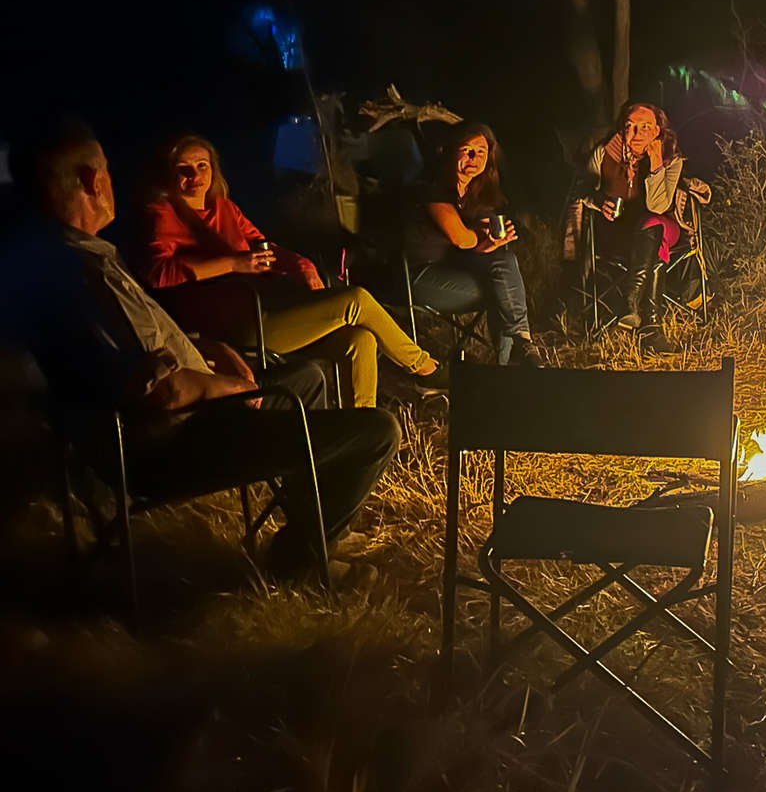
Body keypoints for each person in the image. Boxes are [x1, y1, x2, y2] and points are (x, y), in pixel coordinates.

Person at [2, 120, 399, 579]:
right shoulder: (88, 272)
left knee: (309, 376)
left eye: (201, 167)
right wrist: (229, 384)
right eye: (107, 171)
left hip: (175, 417)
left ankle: (315, 523)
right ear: (93, 180)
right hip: (174, 441)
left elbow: (143, 340)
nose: (113, 181)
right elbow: (164, 390)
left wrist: (208, 347)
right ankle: (301, 559)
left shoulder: (61, 257)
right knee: (378, 429)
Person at [135, 133, 445, 407]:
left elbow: (262, 245)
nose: (195, 175)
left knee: (360, 340)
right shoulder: (162, 214)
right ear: (168, 175)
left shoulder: (224, 208)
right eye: (184, 169)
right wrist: (232, 263)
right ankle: (426, 369)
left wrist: (301, 264)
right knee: (357, 300)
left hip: (271, 306)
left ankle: (358, 430)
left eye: (202, 165)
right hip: (239, 325)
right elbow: (158, 273)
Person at [406, 122, 535, 365]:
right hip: (417, 275)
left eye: (482, 152)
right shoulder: (431, 188)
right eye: (467, 150)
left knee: (505, 262)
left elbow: (475, 242)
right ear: (449, 151)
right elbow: (461, 238)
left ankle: (522, 342)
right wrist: (477, 238)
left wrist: (491, 242)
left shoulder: (479, 192)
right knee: (502, 294)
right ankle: (510, 366)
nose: (475, 158)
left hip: (453, 270)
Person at [583, 101, 686, 353]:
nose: (636, 134)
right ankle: (651, 329)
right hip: (621, 234)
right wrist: (599, 202)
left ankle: (629, 304)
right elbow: (583, 190)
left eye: (645, 127)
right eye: (630, 127)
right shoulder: (604, 154)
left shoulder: (672, 159)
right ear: (622, 129)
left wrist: (655, 165)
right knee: (652, 244)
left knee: (652, 224)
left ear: (658, 131)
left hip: (664, 225)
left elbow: (658, 206)